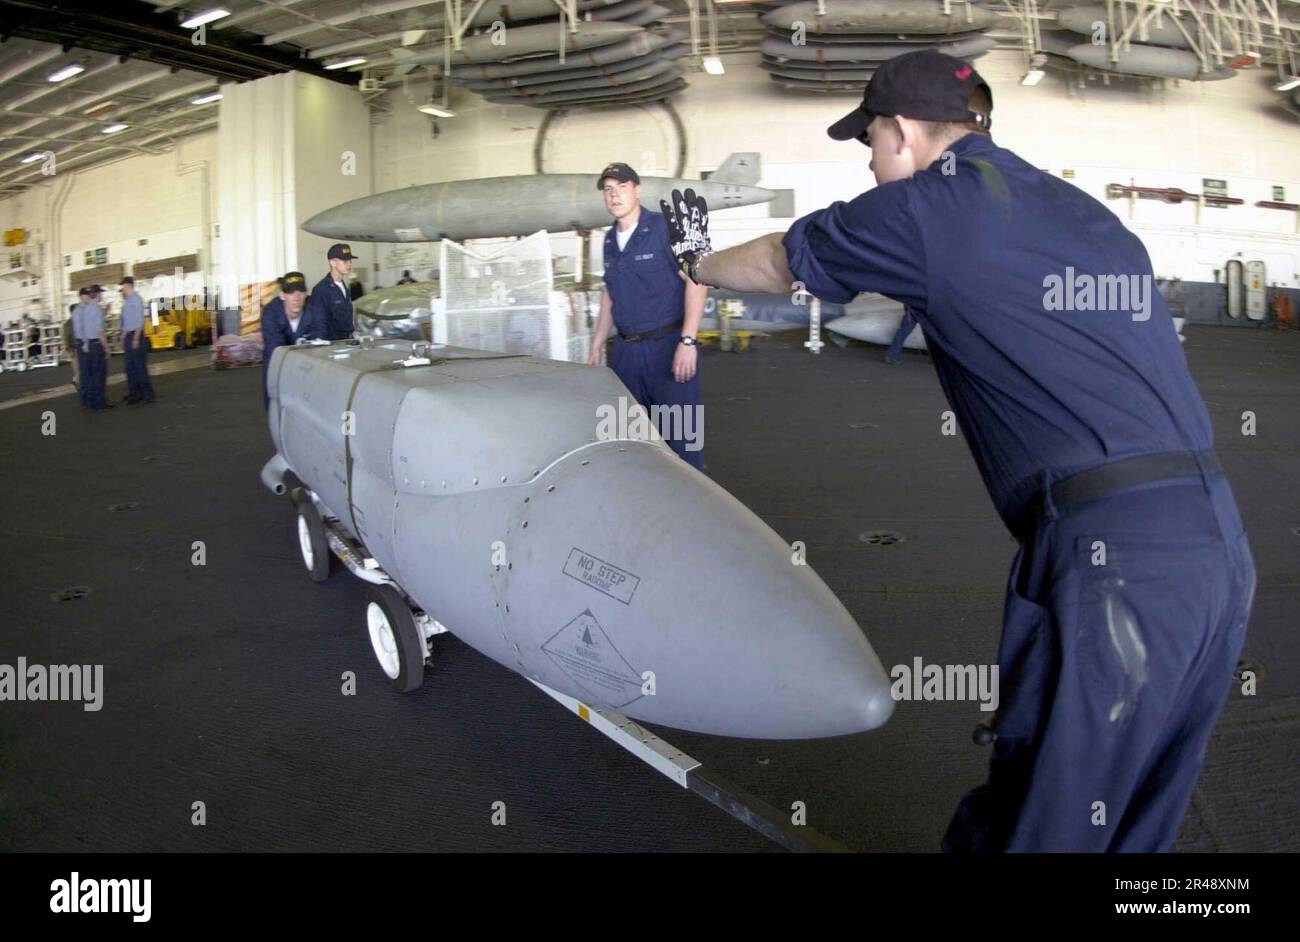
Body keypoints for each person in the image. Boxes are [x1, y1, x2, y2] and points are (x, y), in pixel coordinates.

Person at [664, 50, 1255, 853]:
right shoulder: (1084, 213)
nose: (870, 162)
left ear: (904, 132)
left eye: (868, 141)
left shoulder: (928, 209)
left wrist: (692, 261)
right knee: (1133, 821)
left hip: (1116, 564)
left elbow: (776, 262)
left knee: (1046, 823)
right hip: (1215, 548)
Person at [587, 162, 708, 469]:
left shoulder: (665, 229)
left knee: (681, 437)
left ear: (637, 191)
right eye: (608, 190)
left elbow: (697, 280)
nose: (614, 196)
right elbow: (609, 293)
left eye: (622, 187)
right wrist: (597, 342)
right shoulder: (609, 241)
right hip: (625, 353)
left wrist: (689, 341)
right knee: (629, 438)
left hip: (667, 348)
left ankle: (691, 504)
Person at [262, 271, 326, 406]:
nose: (297, 298)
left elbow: (320, 343)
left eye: (301, 292)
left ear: (306, 293)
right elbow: (276, 350)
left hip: (308, 367)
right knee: (276, 403)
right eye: (291, 293)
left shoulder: (315, 309)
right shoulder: (271, 313)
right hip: (277, 365)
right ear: (282, 295)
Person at [72, 286, 111, 411]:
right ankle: (97, 403)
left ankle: (90, 400)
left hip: (87, 343)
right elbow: (95, 330)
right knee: (95, 374)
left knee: (90, 374)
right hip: (89, 344)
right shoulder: (82, 310)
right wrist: (106, 348)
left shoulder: (86, 309)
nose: (88, 297)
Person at [119, 276, 155, 404]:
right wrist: (123, 338)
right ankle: (134, 394)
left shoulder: (137, 300)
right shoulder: (127, 301)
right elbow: (126, 322)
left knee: (139, 367)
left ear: (128, 286)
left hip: (136, 335)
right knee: (130, 368)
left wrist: (135, 339)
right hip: (129, 336)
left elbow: (140, 321)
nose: (122, 288)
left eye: (123, 286)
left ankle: (147, 394)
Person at [310, 243, 355, 341]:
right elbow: (319, 322)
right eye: (345, 261)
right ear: (332, 263)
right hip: (331, 345)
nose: (349, 264)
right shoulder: (321, 289)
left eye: (350, 260)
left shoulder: (344, 288)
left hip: (345, 343)